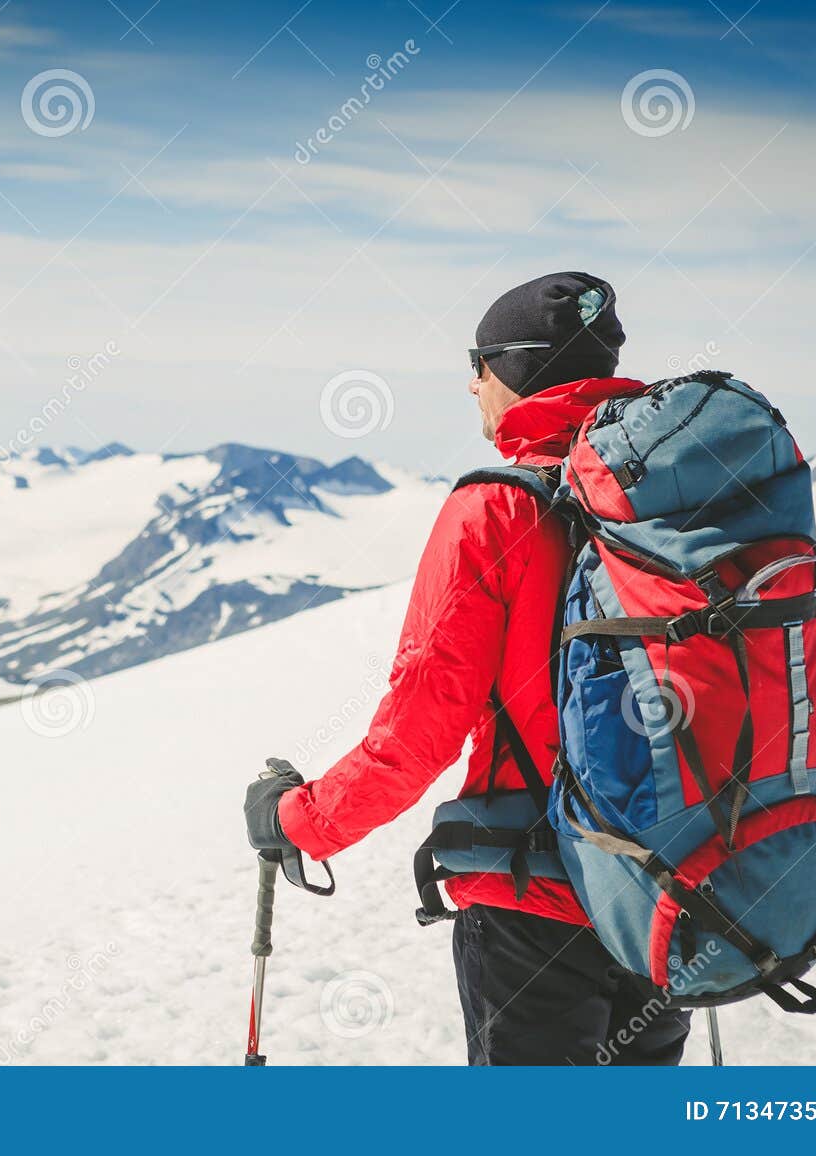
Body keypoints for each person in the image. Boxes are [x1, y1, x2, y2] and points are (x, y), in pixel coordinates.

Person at [243, 271, 691, 1066]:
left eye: (478, 364)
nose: (472, 385)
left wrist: (298, 821)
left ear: (514, 369)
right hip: (672, 894)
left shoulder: (498, 508)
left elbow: (419, 731)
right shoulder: (679, 495)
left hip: (539, 901)